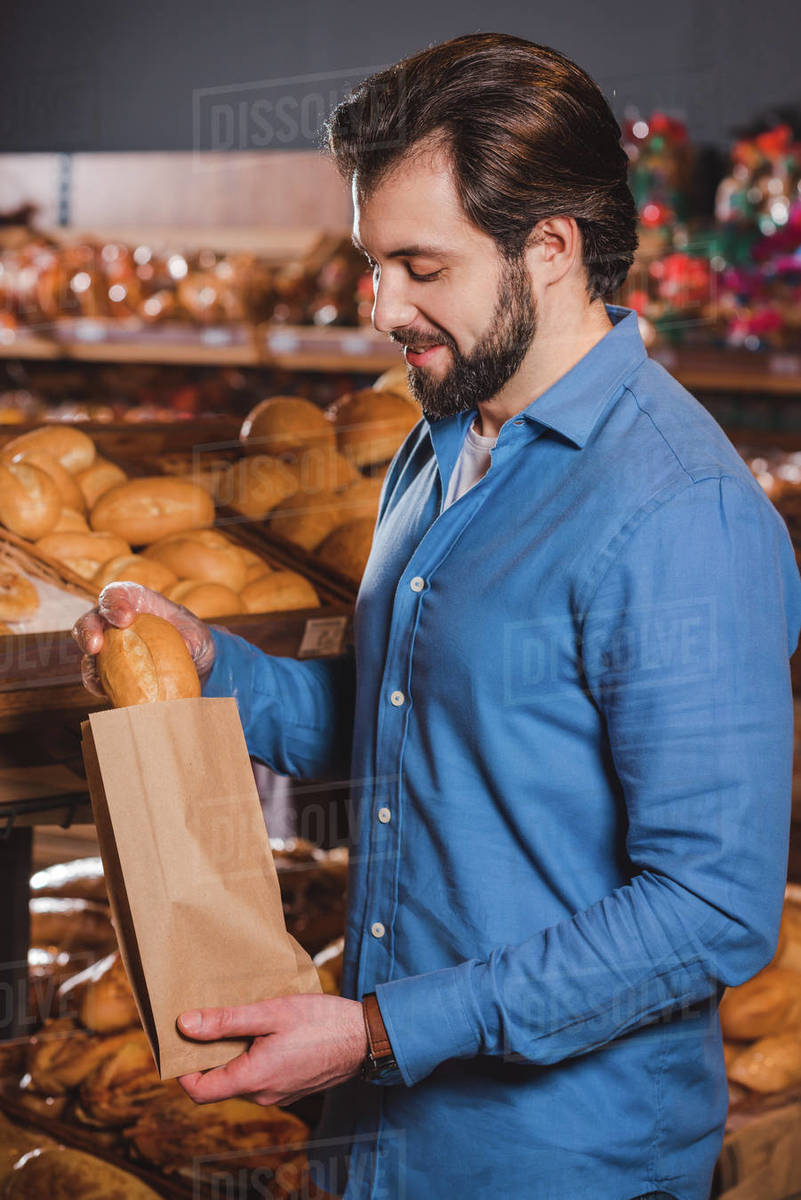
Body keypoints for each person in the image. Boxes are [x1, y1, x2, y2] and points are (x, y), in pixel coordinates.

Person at [74, 33, 801, 1200]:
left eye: (420, 265)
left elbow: (709, 912)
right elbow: (413, 726)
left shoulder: (681, 513)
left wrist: (374, 1031)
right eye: (373, 264)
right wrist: (216, 667)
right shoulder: (445, 439)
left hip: (561, 1167)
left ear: (551, 246)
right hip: (378, 1145)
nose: (381, 309)